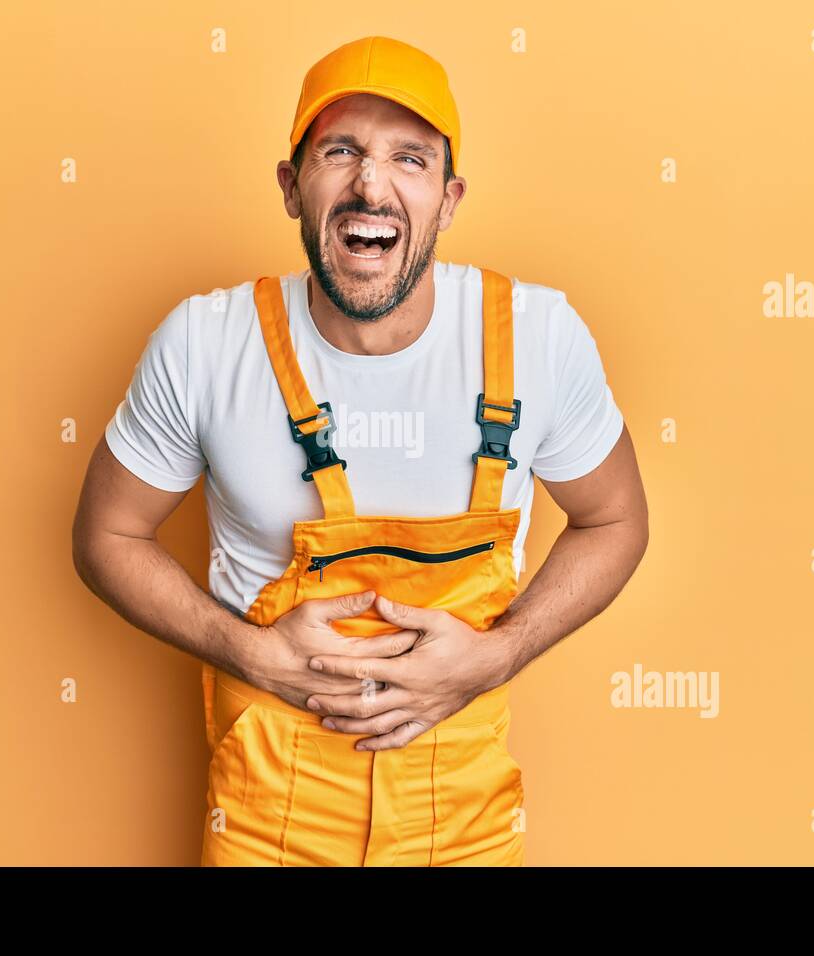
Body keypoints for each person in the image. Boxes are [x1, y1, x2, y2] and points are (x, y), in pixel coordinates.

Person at [72, 35, 649, 866]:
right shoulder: (205, 344)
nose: (371, 185)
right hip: (268, 823)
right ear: (290, 187)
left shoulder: (537, 339)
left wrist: (497, 655)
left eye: (408, 159)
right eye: (340, 151)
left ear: (448, 200)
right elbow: (106, 537)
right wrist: (252, 654)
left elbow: (617, 520)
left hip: (466, 825)